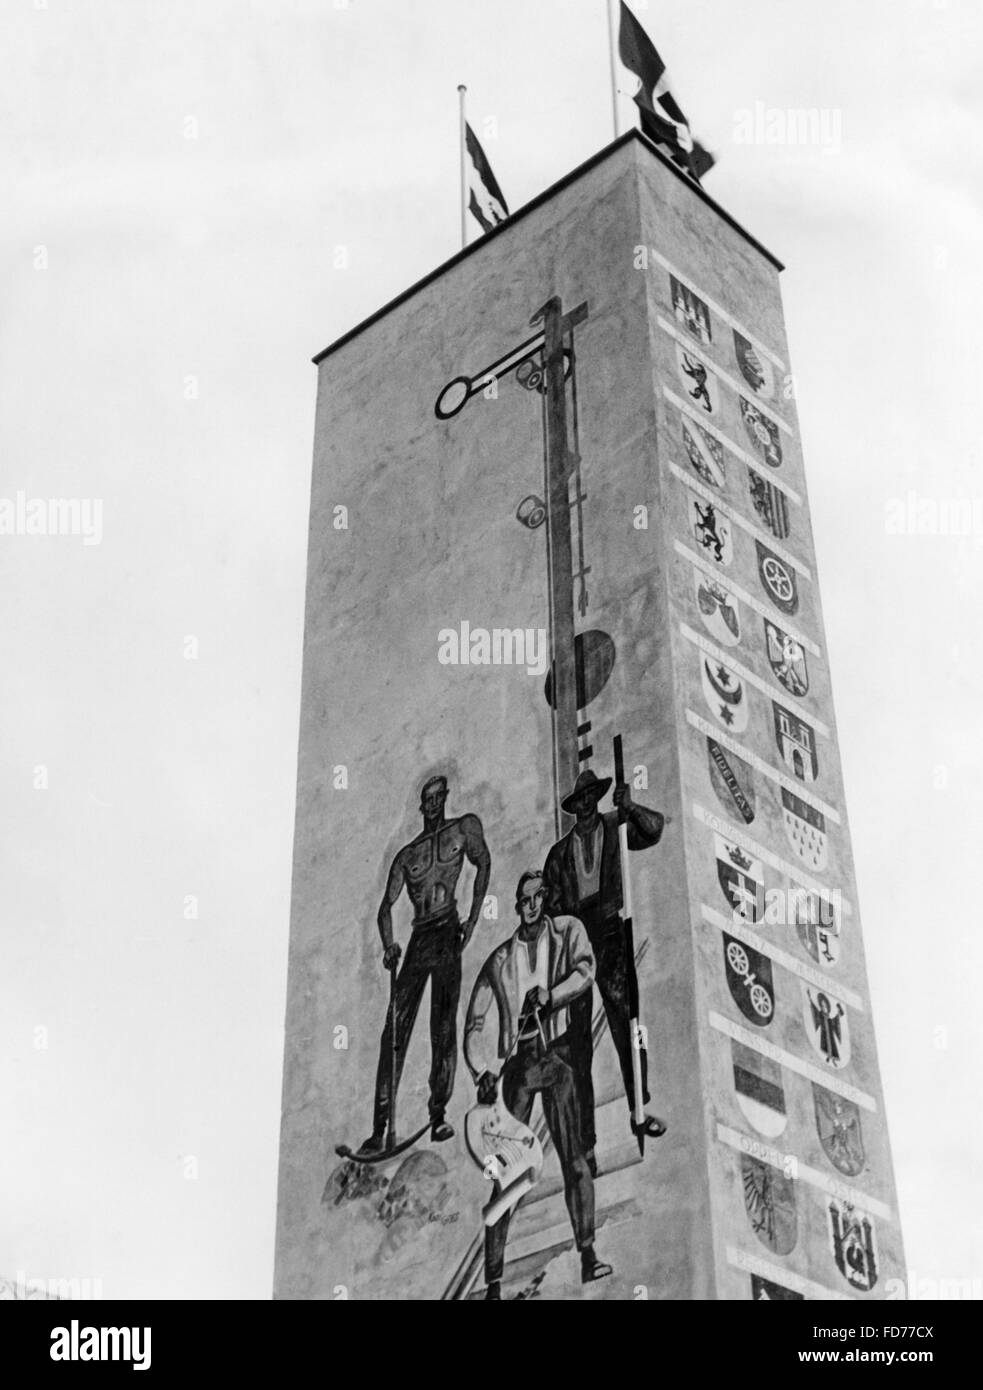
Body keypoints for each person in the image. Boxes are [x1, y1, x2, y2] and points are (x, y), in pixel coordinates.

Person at [465, 870, 612, 1299]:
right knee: (506, 1175)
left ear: (545, 897)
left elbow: (587, 969)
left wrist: (553, 994)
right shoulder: (500, 960)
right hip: (519, 1067)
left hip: (560, 1055)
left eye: (536, 897)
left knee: (574, 1159)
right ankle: (494, 1283)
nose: (530, 905)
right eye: (523, 900)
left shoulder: (568, 931)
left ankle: (588, 1254)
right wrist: (482, 1070)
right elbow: (474, 1021)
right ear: (516, 905)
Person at [543, 769, 667, 1175]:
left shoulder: (615, 827)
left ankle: (639, 1107)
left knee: (627, 1023)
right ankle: (587, 1143)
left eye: (588, 799)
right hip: (579, 941)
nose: (583, 806)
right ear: (573, 806)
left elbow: (655, 829)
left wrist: (629, 805)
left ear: (596, 799)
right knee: (579, 1045)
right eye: (577, 802)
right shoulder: (559, 854)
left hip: (612, 931)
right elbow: (551, 910)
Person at [359, 776, 490, 1154]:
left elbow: (484, 863)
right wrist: (388, 945)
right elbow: (386, 906)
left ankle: (438, 1115)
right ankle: (379, 1127)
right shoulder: (408, 855)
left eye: (437, 798)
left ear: (445, 799)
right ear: (421, 806)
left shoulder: (462, 828)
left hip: (448, 931)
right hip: (418, 939)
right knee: (394, 1030)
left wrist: (473, 918)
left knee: (443, 1026)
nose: (432, 805)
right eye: (426, 801)